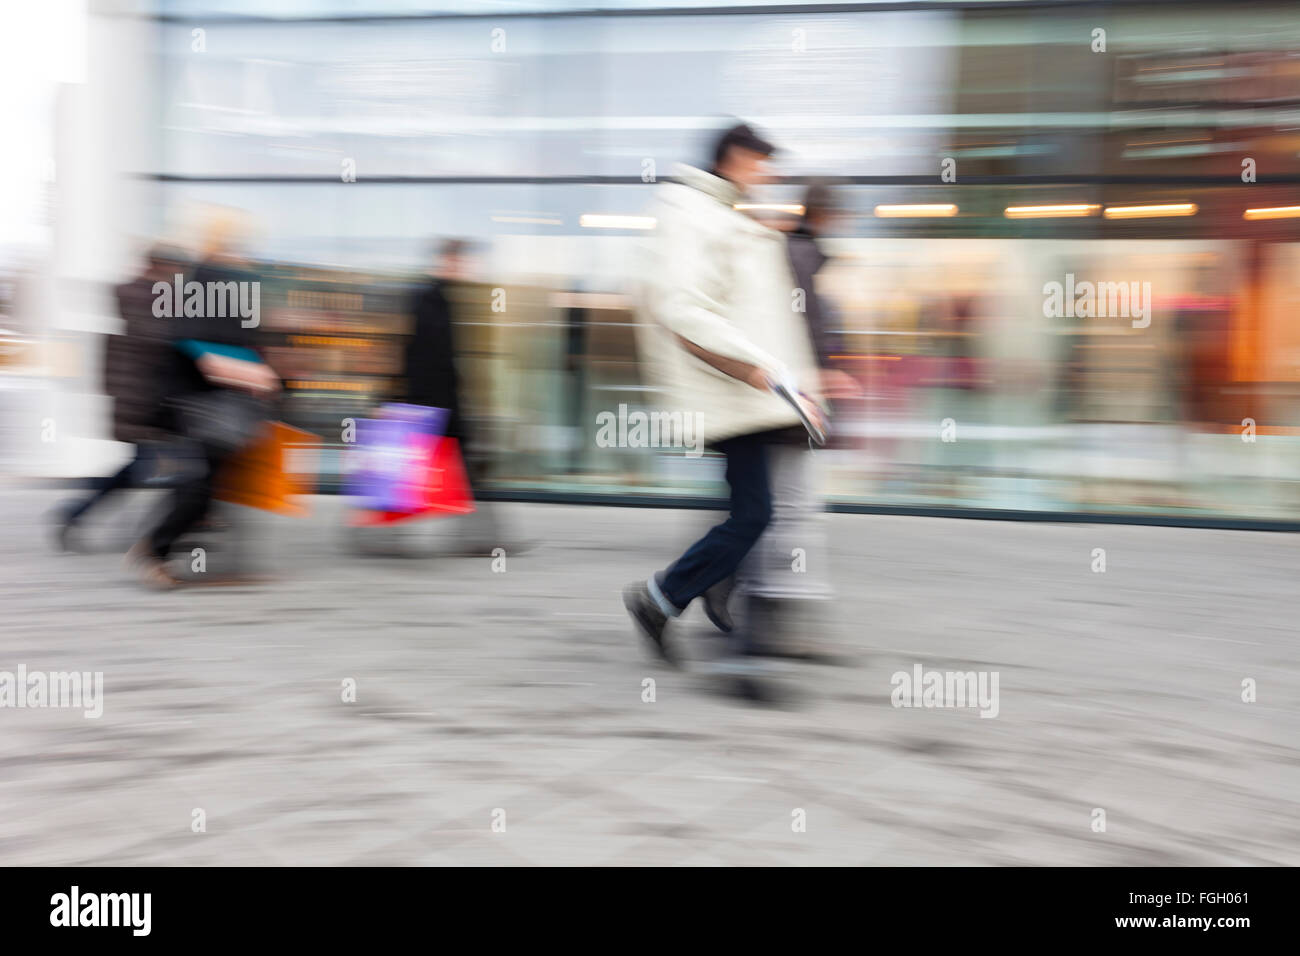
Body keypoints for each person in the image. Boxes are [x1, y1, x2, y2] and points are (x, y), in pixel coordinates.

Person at [624, 123, 825, 695]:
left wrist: (794, 384)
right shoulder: (691, 210)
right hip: (737, 392)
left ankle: (703, 595)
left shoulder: (724, 212)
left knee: (751, 513)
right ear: (737, 157)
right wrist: (760, 369)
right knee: (755, 516)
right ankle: (666, 601)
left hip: (754, 394)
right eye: (763, 163)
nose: (768, 176)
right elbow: (686, 307)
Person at [126, 213, 278, 589]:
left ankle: (170, 546)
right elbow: (198, 347)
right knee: (197, 488)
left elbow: (240, 343)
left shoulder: (226, 286)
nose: (244, 254)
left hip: (214, 407)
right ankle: (152, 551)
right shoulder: (202, 282)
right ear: (220, 247)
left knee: (203, 487)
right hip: (194, 406)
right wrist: (255, 374)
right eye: (236, 246)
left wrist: (258, 370)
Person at [53, 245, 187, 552]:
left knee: (144, 467)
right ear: (164, 266)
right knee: (158, 467)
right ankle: (161, 535)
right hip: (148, 400)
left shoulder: (143, 295)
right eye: (178, 268)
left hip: (142, 397)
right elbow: (162, 345)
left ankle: (81, 514)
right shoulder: (153, 298)